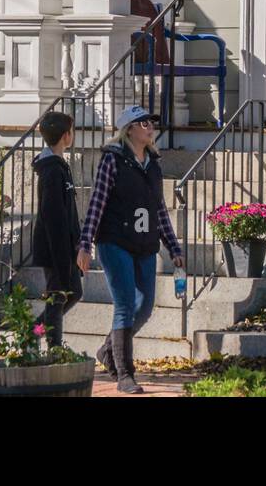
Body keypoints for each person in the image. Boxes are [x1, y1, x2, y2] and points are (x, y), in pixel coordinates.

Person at [77, 105, 185, 394]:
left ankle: (107, 349)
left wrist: (173, 246)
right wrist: (85, 244)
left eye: (152, 122)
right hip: (114, 242)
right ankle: (125, 374)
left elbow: (158, 209)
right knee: (124, 305)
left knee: (145, 306)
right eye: (144, 122)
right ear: (130, 130)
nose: (151, 126)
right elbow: (96, 204)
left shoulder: (153, 164)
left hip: (145, 245)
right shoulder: (112, 161)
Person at [31, 111, 82, 347]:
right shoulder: (51, 171)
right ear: (65, 136)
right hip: (54, 247)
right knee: (57, 296)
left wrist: (78, 243)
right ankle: (54, 348)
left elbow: (68, 212)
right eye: (71, 131)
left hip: (67, 244)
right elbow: (53, 216)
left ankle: (32, 332)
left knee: (73, 292)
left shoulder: (60, 166)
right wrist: (62, 254)